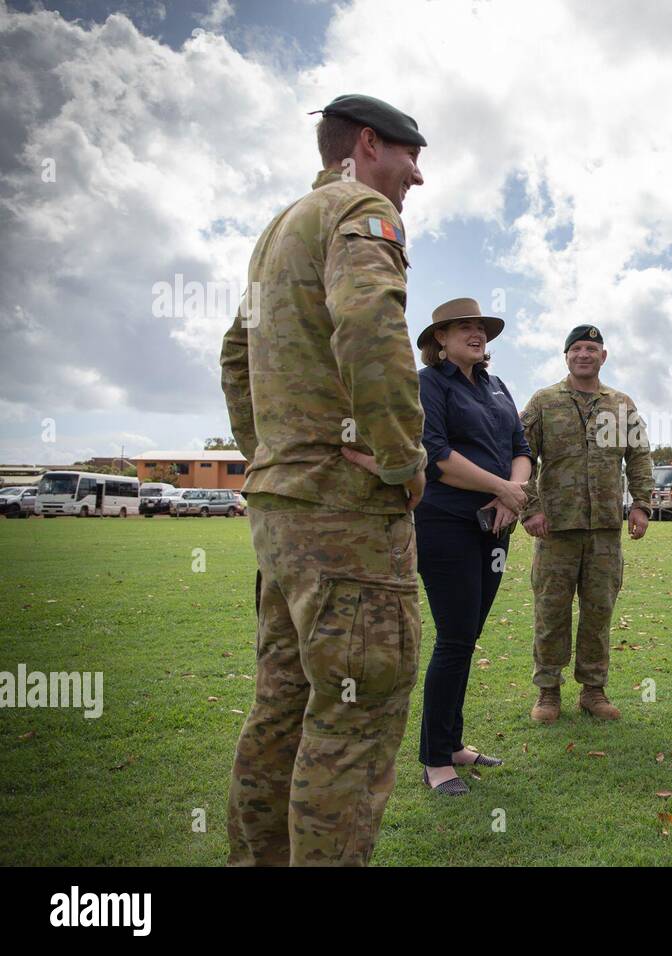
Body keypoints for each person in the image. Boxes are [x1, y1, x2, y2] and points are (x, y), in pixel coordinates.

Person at [220, 93, 427, 866]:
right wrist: (403, 459)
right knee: (352, 720)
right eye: (412, 156)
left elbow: (235, 356)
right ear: (369, 145)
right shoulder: (358, 208)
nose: (417, 177)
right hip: (345, 518)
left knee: (282, 702)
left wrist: (274, 455)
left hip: (285, 512)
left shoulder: (281, 228)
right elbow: (372, 317)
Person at [347, 298, 531, 797]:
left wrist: (511, 495)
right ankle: (435, 759)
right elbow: (437, 455)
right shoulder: (429, 384)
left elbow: (521, 448)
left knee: (467, 637)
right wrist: (502, 488)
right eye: (463, 328)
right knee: (453, 639)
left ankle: (451, 743)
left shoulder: (496, 387)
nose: (476, 334)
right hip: (445, 522)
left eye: (481, 328)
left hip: (494, 526)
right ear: (439, 340)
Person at [520, 325, 654, 723]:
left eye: (591, 348)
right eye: (577, 348)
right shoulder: (543, 402)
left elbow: (640, 456)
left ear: (603, 356)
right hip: (555, 528)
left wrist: (641, 505)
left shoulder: (620, 404)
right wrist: (531, 508)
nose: (584, 355)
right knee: (551, 610)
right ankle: (548, 691)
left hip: (604, 531)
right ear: (566, 356)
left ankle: (593, 690)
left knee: (599, 611)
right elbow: (521, 456)